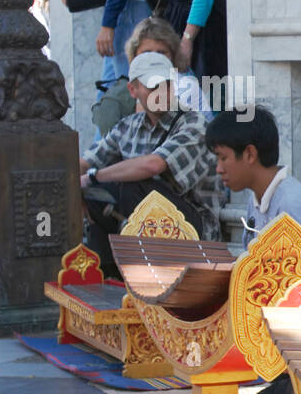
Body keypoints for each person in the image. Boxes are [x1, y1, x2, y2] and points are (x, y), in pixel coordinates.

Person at [79, 51, 221, 275]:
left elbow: (152, 166)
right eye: (153, 86)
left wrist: (95, 176)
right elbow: (85, 162)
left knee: (134, 185)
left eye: (165, 85)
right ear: (133, 90)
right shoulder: (128, 125)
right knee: (89, 190)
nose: (161, 93)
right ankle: (106, 272)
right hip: (145, 224)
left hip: (196, 230)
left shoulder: (193, 123)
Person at [205, 105, 301, 262]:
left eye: (223, 158)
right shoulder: (255, 200)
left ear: (250, 154)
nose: (219, 169)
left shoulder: (291, 206)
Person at [93, 17, 214, 139]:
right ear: (135, 56)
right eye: (147, 52)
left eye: (161, 52)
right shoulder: (124, 92)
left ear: (173, 55)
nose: (154, 58)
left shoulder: (184, 86)